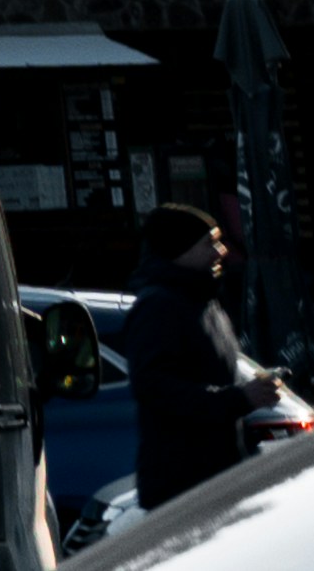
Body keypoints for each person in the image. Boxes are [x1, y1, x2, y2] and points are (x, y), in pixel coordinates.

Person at [114, 206, 266, 508]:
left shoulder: (204, 300)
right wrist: (238, 399)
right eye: (210, 242)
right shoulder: (159, 306)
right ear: (178, 249)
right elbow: (156, 388)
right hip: (182, 484)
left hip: (215, 476)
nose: (221, 251)